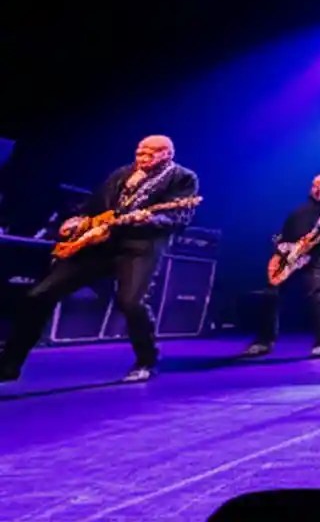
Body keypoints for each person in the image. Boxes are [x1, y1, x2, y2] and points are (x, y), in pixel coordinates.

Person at [0, 135, 199, 383]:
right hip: (98, 245)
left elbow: (178, 218)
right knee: (39, 294)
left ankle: (146, 361)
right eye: (140, 150)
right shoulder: (122, 174)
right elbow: (94, 206)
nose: (143, 155)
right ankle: (9, 364)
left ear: (167, 154)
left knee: (131, 303)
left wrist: (148, 219)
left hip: (138, 247)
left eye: (152, 152)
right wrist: (78, 220)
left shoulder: (182, 178)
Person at [243, 174, 320, 358]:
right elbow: (284, 235)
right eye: (319, 185)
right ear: (311, 188)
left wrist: (314, 249)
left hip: (316, 259)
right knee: (270, 293)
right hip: (290, 259)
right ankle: (264, 341)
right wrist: (282, 247)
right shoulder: (298, 212)